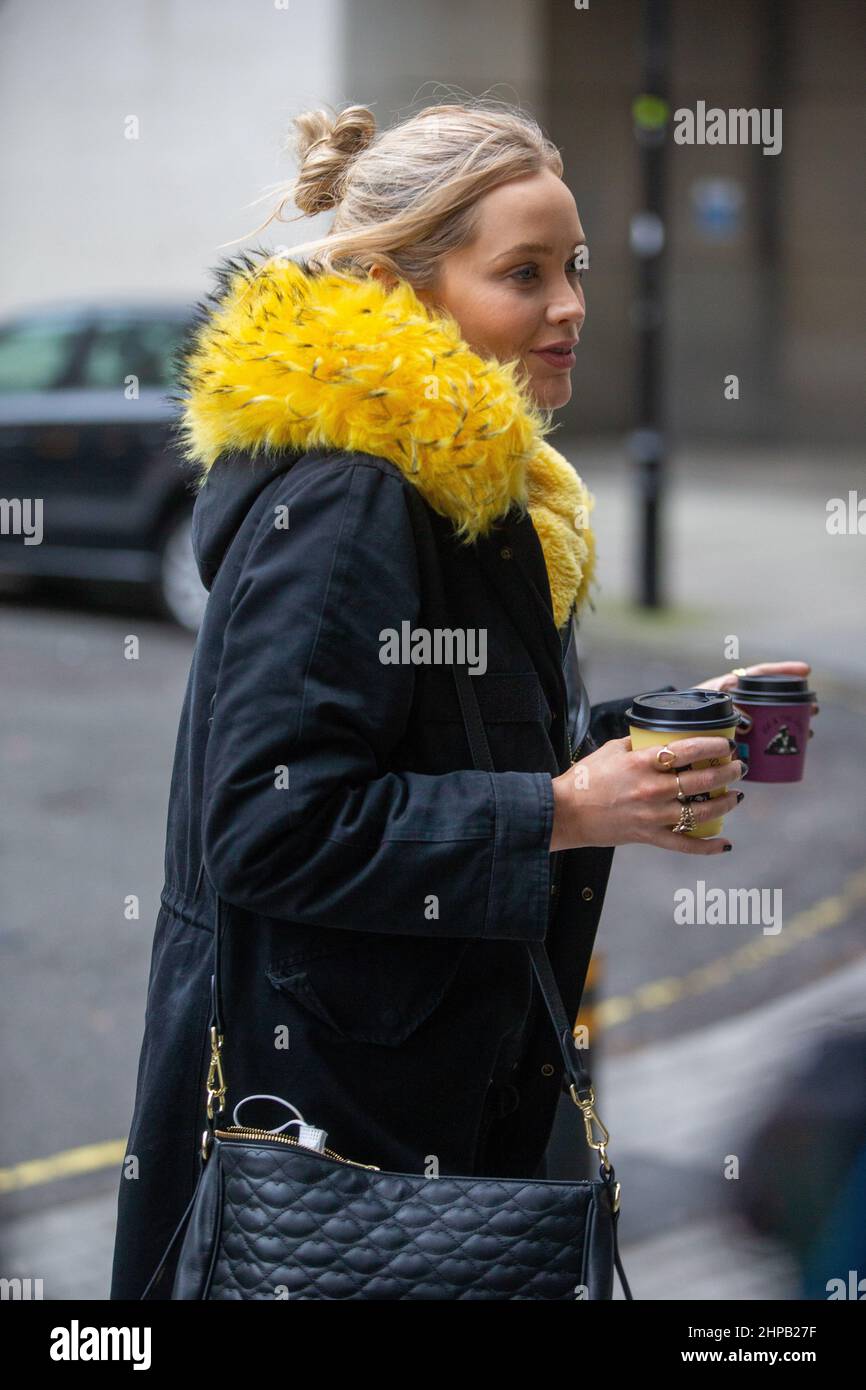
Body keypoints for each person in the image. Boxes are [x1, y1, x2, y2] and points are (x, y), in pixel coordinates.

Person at [109, 99, 817, 1299]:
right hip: (330, 1140)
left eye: (574, 267)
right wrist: (560, 812)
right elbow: (267, 825)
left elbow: (440, 745)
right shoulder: (348, 497)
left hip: (410, 1113)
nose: (570, 306)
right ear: (403, 286)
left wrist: (631, 748)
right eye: (523, 273)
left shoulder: (463, 485)